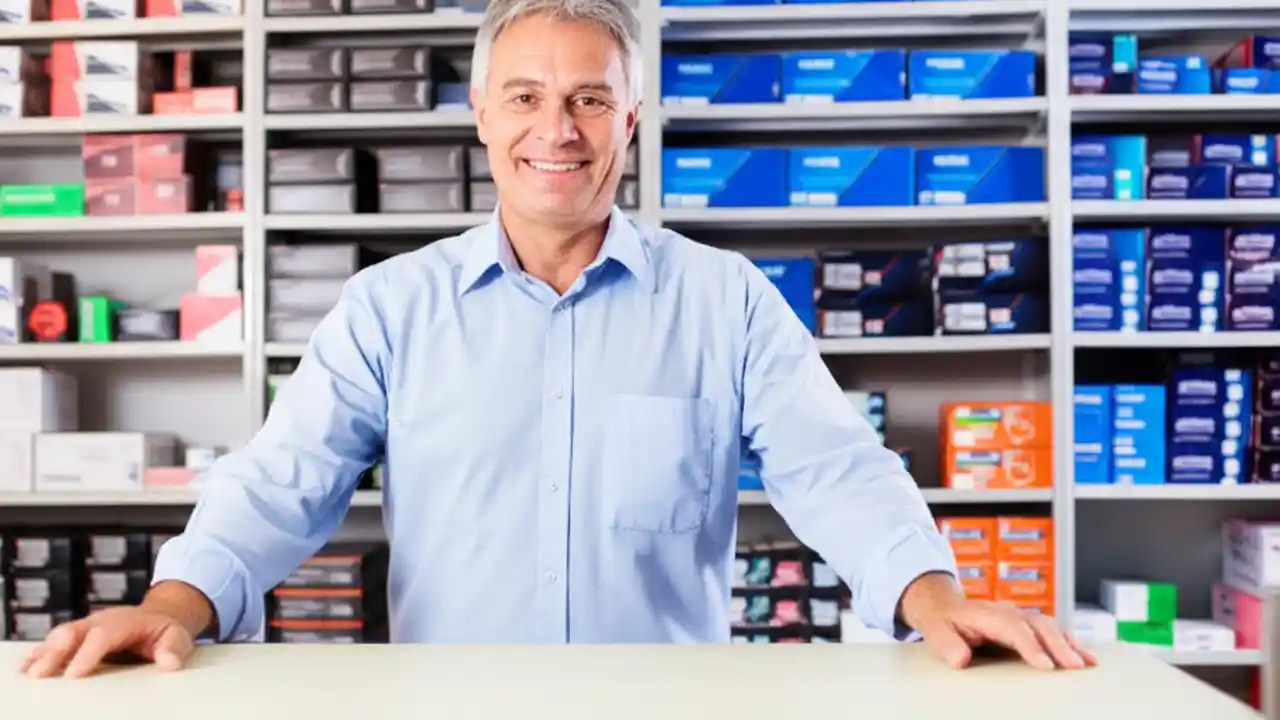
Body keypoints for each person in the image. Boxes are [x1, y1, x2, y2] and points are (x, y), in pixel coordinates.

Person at [20, 0, 1095, 679]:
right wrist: (172, 603)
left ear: (630, 120)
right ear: (481, 115)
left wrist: (934, 597)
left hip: (666, 710)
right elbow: (279, 483)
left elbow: (836, 470)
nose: (557, 129)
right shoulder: (391, 306)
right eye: (526, 96)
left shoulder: (723, 300)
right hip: (447, 707)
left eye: (589, 98)